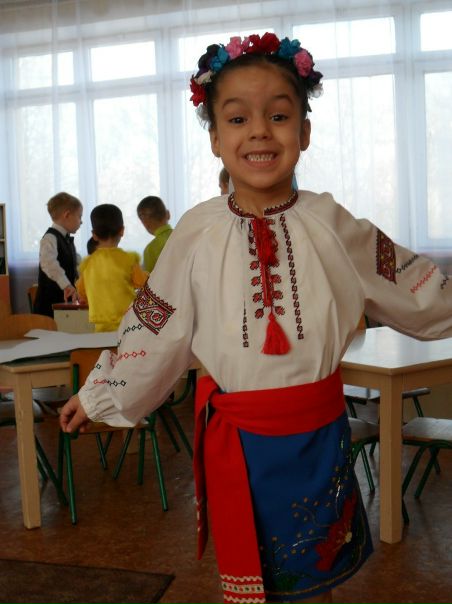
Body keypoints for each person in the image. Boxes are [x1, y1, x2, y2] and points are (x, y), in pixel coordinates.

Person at [60, 33, 452, 603]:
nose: (260, 132)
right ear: (216, 139)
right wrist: (100, 392)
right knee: (258, 584)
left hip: (319, 437)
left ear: (305, 132)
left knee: (315, 583)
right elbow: (155, 325)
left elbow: (410, 283)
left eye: (279, 115)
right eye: (238, 118)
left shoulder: (331, 223)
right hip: (241, 445)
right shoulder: (195, 232)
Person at [76, 204, 148, 332]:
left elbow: (82, 292)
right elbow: (143, 284)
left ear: (94, 235)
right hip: (128, 323)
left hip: (101, 324)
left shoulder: (87, 264)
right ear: (122, 230)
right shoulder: (129, 259)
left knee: (103, 345)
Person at [33, 192, 82, 317]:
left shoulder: (67, 240)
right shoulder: (50, 238)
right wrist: (66, 285)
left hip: (63, 304)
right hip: (48, 307)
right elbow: (48, 263)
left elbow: (77, 264)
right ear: (67, 215)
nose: (81, 222)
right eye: (79, 216)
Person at [136, 196, 173, 273]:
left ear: (145, 222)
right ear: (168, 214)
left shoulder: (150, 250)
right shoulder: (183, 236)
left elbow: (149, 279)